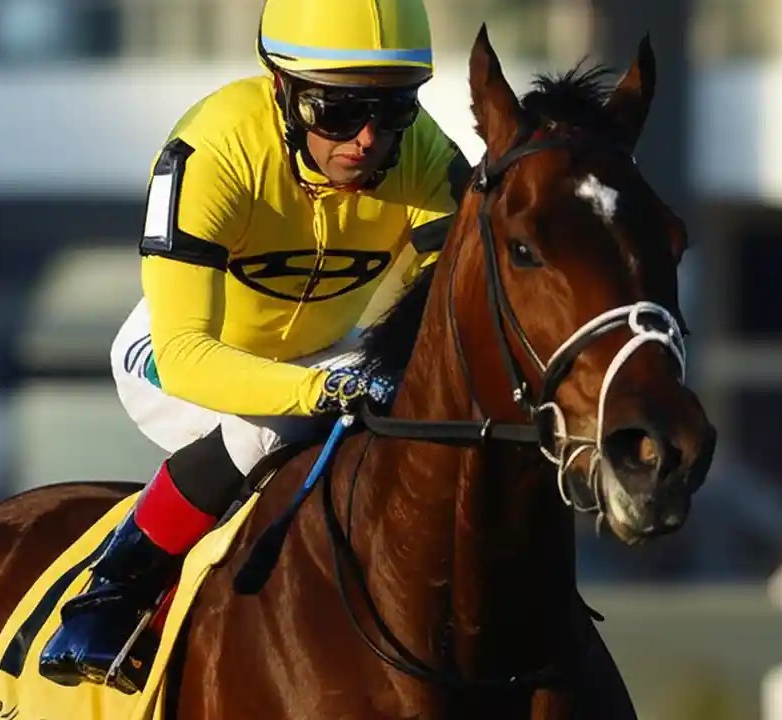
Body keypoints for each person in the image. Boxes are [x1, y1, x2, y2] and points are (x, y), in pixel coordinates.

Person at [39, 0, 471, 691]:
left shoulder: (423, 151)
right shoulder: (210, 153)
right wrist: (319, 389)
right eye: (337, 111)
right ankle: (111, 594)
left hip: (327, 352)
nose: (367, 139)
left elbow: (457, 308)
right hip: (175, 355)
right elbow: (185, 353)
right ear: (282, 89)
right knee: (270, 425)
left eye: (392, 109)